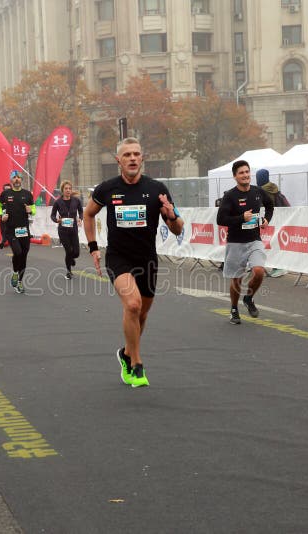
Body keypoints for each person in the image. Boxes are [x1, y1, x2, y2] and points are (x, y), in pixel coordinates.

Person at [83, 137, 184, 388]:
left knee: (142, 312)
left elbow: (177, 228)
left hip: (147, 258)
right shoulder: (107, 189)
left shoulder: (157, 188)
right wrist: (94, 247)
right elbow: (88, 213)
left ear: (142, 158)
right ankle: (136, 363)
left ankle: (126, 353)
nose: (132, 158)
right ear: (119, 160)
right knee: (132, 304)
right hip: (119, 257)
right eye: (127, 155)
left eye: (136, 154)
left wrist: (171, 215)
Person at [217, 161, 274, 325]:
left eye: (247, 172)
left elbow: (270, 205)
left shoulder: (258, 192)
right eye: (241, 173)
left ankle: (248, 298)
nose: (245, 175)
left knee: (259, 271)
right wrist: (241, 218)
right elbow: (220, 219)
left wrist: (266, 219)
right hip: (236, 242)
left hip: (254, 240)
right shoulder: (230, 196)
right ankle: (234, 308)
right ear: (235, 176)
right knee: (236, 279)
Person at [0, 171, 35, 293]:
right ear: (11, 180)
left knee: (23, 256)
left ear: (21, 179)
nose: (17, 179)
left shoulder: (27, 194)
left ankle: (19, 282)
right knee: (17, 252)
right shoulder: (6, 194)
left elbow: (33, 209)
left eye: (18, 177)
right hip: (11, 230)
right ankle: (14, 273)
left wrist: (31, 210)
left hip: (24, 230)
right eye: (14, 177)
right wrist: (2, 214)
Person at [255, 169, 287, 277]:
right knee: (274, 244)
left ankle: (278, 267)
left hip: (267, 220)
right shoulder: (274, 188)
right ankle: (277, 267)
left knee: (268, 244)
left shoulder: (260, 190)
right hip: (275, 220)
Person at [50, 180, 83, 279]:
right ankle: (69, 271)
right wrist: (57, 220)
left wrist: (80, 219)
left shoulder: (76, 201)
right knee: (68, 251)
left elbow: (81, 211)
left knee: (76, 252)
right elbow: (52, 215)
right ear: (62, 190)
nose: (68, 190)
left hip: (73, 230)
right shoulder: (58, 202)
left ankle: (72, 258)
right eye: (66, 189)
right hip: (63, 231)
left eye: (69, 188)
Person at [0, 181, 12, 249]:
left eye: (8, 189)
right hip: (4, 218)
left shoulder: (15, 196)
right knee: (4, 230)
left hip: (14, 218)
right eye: (5, 189)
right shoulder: (0, 198)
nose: (7, 191)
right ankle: (3, 240)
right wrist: (1, 215)